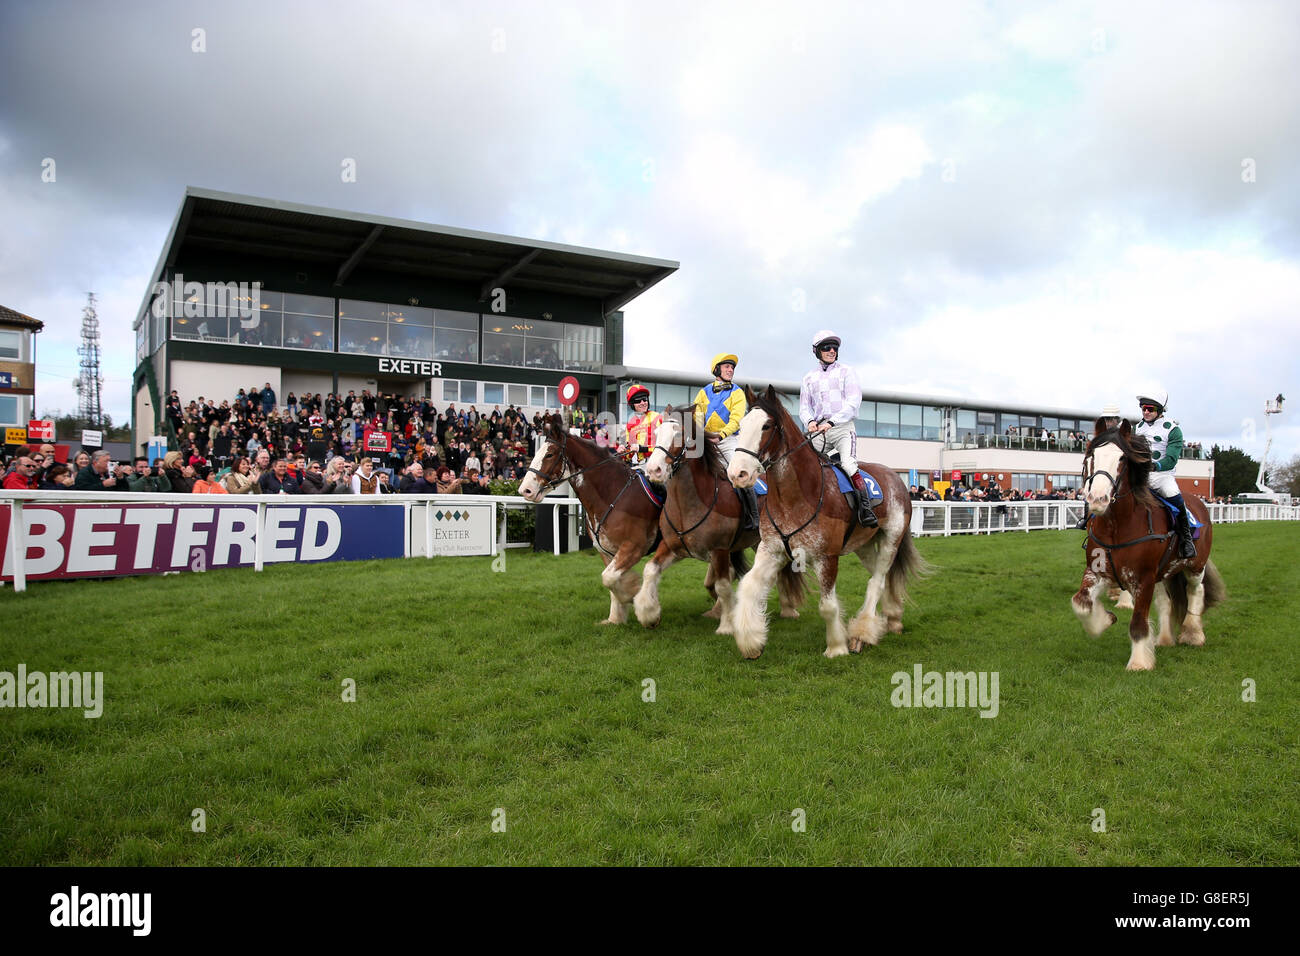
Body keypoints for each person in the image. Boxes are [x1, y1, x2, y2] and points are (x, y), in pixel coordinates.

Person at [799, 330, 877, 527]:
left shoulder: (847, 372)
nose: (832, 350)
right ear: (816, 351)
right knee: (801, 464)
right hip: (818, 430)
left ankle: (865, 509)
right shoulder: (808, 377)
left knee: (849, 465)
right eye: (827, 347)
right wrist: (810, 421)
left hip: (842, 427)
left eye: (835, 347)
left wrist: (832, 422)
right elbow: (804, 407)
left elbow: (853, 403)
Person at [692, 351, 757, 529]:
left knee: (738, 474)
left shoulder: (737, 393)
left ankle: (753, 516)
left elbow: (736, 420)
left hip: (727, 440)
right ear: (717, 369)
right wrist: (700, 436)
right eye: (727, 366)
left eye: (732, 367)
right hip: (705, 441)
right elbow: (697, 416)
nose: (730, 370)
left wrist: (720, 435)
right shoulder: (703, 392)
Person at [1135, 387, 1196, 559]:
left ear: (1160, 410)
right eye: (1143, 408)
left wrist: (1155, 467)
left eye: (1150, 409)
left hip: (1162, 476)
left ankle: (1187, 539)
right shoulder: (1137, 428)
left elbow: (1171, 459)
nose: (1146, 412)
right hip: (1141, 476)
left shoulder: (1173, 430)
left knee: (1173, 494)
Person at [621, 384, 663, 467]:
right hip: (641, 465)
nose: (642, 403)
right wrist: (624, 452)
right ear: (632, 404)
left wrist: (642, 449)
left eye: (645, 399)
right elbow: (628, 456)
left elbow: (666, 445)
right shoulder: (630, 424)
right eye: (638, 400)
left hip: (659, 463)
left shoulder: (658, 418)